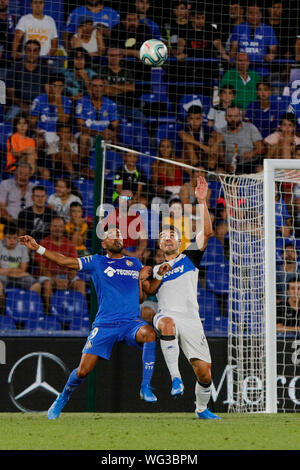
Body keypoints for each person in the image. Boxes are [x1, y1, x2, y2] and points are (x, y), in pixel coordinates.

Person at [19, 225, 158, 418]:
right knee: (83, 371)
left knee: (150, 334)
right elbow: (65, 261)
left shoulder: (134, 263)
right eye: (112, 235)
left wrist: (140, 279)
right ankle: (62, 399)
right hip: (105, 325)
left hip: (130, 323)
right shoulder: (97, 261)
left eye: (119, 235)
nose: (117, 237)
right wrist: (38, 248)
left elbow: (140, 299)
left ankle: (145, 387)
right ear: (104, 243)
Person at [142, 176, 221, 419]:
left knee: (205, 374)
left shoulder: (189, 258)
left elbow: (207, 232)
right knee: (167, 323)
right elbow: (149, 291)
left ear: (179, 242)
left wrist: (201, 200)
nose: (168, 238)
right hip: (167, 316)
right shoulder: (153, 268)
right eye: (164, 236)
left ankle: (201, 409)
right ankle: (176, 378)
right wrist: (158, 274)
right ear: (159, 245)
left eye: (172, 235)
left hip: (192, 320)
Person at [33, 216, 86, 314]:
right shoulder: (43, 243)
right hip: (48, 277)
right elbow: (41, 268)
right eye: (55, 226)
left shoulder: (70, 244)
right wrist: (55, 280)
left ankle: (80, 315)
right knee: (47, 284)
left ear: (64, 228)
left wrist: (68, 279)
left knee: (80, 284)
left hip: (66, 277)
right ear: (51, 228)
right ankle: (50, 313)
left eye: (60, 226)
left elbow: (74, 265)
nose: (58, 229)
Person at [75, 76, 119, 179]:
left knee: (116, 138)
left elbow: (116, 125)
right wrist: (98, 133)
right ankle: (84, 168)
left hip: (106, 136)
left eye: (100, 86)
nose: (97, 89)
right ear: (90, 87)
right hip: (90, 136)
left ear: (104, 88)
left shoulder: (111, 104)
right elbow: (80, 127)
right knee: (84, 137)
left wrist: (112, 132)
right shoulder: (81, 103)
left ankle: (117, 171)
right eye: (95, 86)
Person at [30, 74, 73, 177]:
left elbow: (63, 120)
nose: (57, 89)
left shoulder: (67, 101)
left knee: (65, 147)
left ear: (63, 87)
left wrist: (58, 102)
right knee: (40, 141)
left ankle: (72, 175)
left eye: (60, 86)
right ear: (49, 86)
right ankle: (37, 169)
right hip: (43, 133)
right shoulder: (39, 100)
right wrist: (37, 131)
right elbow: (32, 122)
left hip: (59, 134)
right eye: (54, 86)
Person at [0, 222, 41, 315]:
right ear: (4, 237)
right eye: (9, 238)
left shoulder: (22, 247)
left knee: (37, 285)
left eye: (14, 238)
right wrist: (12, 271)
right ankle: (2, 314)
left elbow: (23, 269)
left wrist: (5, 270)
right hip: (3, 277)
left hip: (18, 276)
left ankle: (27, 311)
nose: (12, 241)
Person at [6, 39, 52, 119]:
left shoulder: (45, 69)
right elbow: (10, 93)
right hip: (18, 105)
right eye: (29, 50)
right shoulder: (15, 67)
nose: (32, 53)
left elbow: (48, 92)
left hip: (40, 105)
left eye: (35, 50)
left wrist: (37, 106)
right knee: (9, 121)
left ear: (39, 52)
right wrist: (22, 105)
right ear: (25, 51)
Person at [211, 105, 264, 174]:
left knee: (260, 169)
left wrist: (252, 153)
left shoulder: (250, 128)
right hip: (229, 165)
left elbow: (261, 148)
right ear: (225, 118)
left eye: (236, 116)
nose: (233, 119)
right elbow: (220, 155)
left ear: (240, 117)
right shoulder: (221, 132)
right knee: (219, 172)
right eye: (230, 116)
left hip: (249, 163)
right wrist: (226, 165)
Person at [230, 1, 278, 76]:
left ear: (261, 15)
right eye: (250, 13)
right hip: (241, 72)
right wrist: (232, 59)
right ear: (246, 14)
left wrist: (272, 55)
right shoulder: (238, 28)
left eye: (256, 13)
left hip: (261, 71)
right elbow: (233, 48)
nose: (253, 16)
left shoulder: (268, 29)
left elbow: (274, 50)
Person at [99, 47, 144, 123]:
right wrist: (124, 87)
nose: (114, 58)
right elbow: (104, 90)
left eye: (116, 55)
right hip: (109, 104)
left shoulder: (127, 71)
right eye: (111, 55)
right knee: (117, 123)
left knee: (142, 120)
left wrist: (111, 86)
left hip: (127, 104)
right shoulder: (101, 71)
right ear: (107, 57)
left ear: (121, 57)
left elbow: (132, 88)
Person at [102, 189, 148, 262]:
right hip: (117, 252)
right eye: (124, 198)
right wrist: (130, 254)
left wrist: (138, 252)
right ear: (118, 200)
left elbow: (143, 240)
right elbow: (111, 241)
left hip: (133, 251)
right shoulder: (112, 216)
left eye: (130, 198)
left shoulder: (136, 217)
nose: (127, 200)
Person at [178, 105, 212, 172]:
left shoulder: (205, 128)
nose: (194, 122)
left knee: (213, 141)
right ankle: (197, 168)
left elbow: (219, 136)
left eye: (197, 118)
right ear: (188, 119)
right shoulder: (184, 127)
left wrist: (211, 148)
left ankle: (211, 168)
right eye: (191, 118)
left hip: (203, 158)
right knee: (189, 144)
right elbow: (184, 136)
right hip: (187, 161)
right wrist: (202, 146)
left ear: (202, 119)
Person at [151, 139, 184, 205]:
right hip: (165, 192)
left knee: (174, 201)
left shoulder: (178, 161)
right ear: (159, 148)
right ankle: (163, 215)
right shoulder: (155, 164)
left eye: (168, 147)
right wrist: (158, 189)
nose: (164, 149)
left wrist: (184, 191)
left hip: (178, 190)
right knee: (155, 201)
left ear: (171, 149)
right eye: (162, 146)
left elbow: (192, 173)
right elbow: (155, 183)